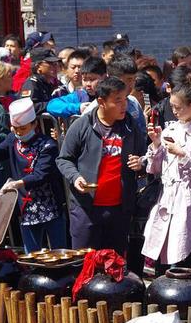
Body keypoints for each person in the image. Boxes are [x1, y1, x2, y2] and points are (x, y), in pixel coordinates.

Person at [0, 97, 66, 253]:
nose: (18, 132)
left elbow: (40, 174)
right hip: (27, 205)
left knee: (59, 250)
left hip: (50, 204)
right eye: (15, 128)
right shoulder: (13, 140)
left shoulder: (48, 145)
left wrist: (16, 183)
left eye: (23, 128)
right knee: (32, 253)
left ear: (34, 124)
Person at [56, 77, 146, 255]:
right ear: (101, 102)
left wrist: (140, 164)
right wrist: (75, 177)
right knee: (84, 263)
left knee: (114, 264)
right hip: (86, 209)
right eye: (117, 100)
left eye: (125, 99)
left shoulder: (130, 126)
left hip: (119, 209)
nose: (124, 105)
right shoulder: (82, 125)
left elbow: (144, 157)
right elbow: (64, 159)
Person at [142, 84, 191, 274]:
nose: (173, 111)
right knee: (161, 252)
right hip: (166, 197)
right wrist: (156, 144)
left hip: (187, 199)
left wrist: (183, 155)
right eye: (172, 107)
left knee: (184, 250)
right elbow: (155, 169)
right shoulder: (171, 129)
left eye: (178, 107)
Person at [81, 54, 146, 136]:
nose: (132, 84)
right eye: (129, 79)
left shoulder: (134, 103)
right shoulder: (93, 109)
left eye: (134, 79)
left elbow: (142, 132)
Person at [19, 48, 60, 113]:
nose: (55, 66)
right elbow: (28, 107)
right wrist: (51, 105)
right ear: (38, 66)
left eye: (56, 63)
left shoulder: (49, 83)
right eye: (50, 63)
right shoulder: (31, 83)